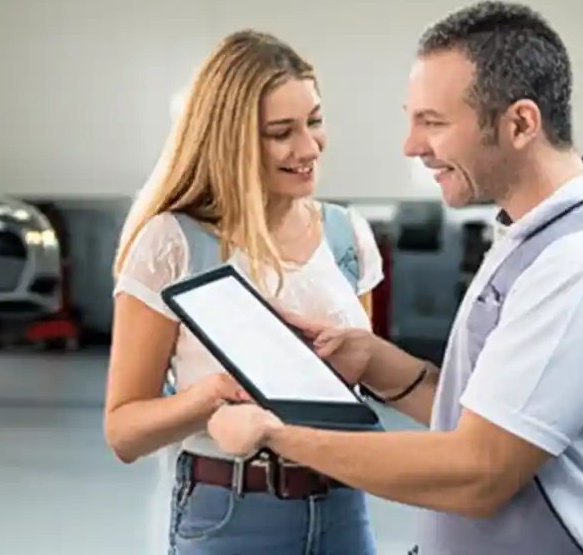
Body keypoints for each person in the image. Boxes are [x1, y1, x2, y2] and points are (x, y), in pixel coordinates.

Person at [206, 1, 583, 554]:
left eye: (433, 123)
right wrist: (377, 363)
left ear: (520, 123)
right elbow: (502, 416)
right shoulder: (530, 236)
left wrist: (273, 435)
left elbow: (477, 471)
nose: (411, 145)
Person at [107, 29, 387, 554]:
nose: (308, 147)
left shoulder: (350, 237)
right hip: (230, 515)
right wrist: (212, 396)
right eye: (281, 132)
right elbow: (125, 431)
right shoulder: (173, 243)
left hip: (345, 509)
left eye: (315, 121)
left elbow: (366, 384)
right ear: (230, 137)